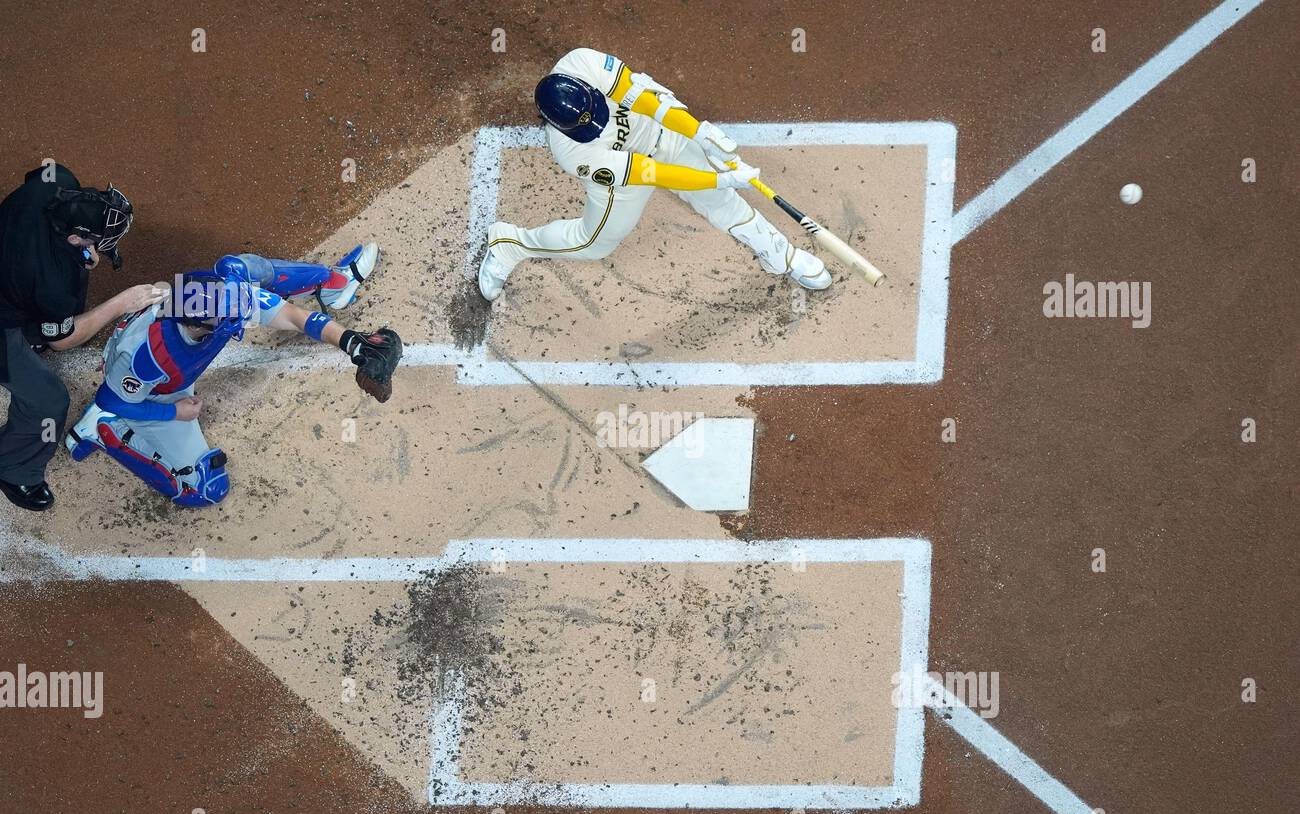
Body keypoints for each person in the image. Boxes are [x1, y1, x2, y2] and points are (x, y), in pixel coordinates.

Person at [477, 48, 833, 302]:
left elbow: (649, 102)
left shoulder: (582, 63)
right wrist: (719, 179)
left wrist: (700, 133)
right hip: (626, 179)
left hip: (662, 133)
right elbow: (653, 173)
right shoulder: (572, 152)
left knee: (721, 202)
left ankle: (779, 254)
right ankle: (510, 244)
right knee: (593, 243)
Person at [63, 245, 400, 507]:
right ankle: (101, 430)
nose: (239, 314)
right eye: (229, 315)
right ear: (196, 324)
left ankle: (332, 282)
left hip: (173, 376)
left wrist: (348, 341)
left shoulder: (213, 296)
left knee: (238, 266)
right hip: (152, 392)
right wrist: (174, 412)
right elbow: (112, 398)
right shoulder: (149, 355)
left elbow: (295, 318)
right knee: (205, 490)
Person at [0, 163, 163, 511]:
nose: (104, 243)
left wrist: (80, 254)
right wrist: (121, 302)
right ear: (73, 236)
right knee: (49, 401)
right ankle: (15, 469)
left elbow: (41, 171)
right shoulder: (50, 281)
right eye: (95, 238)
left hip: (10, 264)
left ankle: (33, 331)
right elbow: (65, 339)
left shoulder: (55, 184)